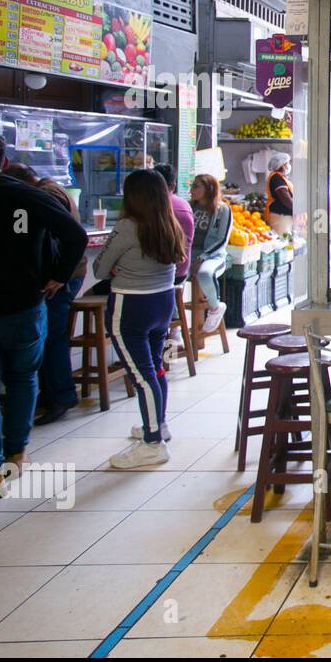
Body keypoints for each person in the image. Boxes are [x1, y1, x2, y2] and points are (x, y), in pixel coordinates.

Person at [0, 131, 87, 497]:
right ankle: (16, 455)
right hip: (24, 305)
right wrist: (59, 276)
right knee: (22, 379)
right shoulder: (26, 194)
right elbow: (76, 236)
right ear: (4, 161)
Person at [92, 169, 186, 469]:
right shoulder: (171, 224)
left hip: (130, 306)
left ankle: (152, 443)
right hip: (163, 303)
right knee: (155, 368)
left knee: (141, 375)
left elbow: (100, 269)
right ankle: (159, 423)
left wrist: (121, 266)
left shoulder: (127, 227)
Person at [0, 167, 90, 427]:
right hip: (64, 275)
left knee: (51, 337)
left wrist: (59, 275)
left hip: (62, 278)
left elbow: (64, 236)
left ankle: (60, 395)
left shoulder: (44, 195)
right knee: (49, 336)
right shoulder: (49, 190)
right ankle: (52, 393)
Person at [153, 164, 195, 351]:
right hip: (180, 273)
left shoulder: (153, 206)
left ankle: (158, 344)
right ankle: (169, 335)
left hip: (159, 276)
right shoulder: (183, 205)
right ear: (173, 185)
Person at [189, 174, 232, 335]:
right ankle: (175, 328)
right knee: (169, 277)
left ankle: (215, 307)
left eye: (196, 186)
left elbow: (222, 239)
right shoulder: (189, 207)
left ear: (208, 189)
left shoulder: (223, 210)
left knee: (205, 273)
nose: (191, 190)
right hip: (189, 253)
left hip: (214, 255)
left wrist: (204, 256)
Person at [265, 152, 294, 234]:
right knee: (282, 240)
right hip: (280, 217)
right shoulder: (276, 178)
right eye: (287, 163)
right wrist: (296, 209)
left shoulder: (279, 177)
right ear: (282, 165)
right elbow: (285, 198)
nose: (289, 165)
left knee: (285, 240)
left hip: (282, 216)